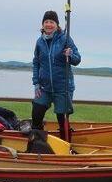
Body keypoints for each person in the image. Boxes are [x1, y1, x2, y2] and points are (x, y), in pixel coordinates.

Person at [31, 10, 81, 140]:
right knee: (36, 113)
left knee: (62, 118)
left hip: (62, 88)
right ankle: (38, 143)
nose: (48, 24)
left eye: (51, 22)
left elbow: (77, 59)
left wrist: (70, 55)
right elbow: (36, 63)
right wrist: (36, 83)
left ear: (57, 24)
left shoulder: (65, 38)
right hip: (44, 88)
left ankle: (66, 145)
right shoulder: (39, 42)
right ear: (42, 25)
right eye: (46, 22)